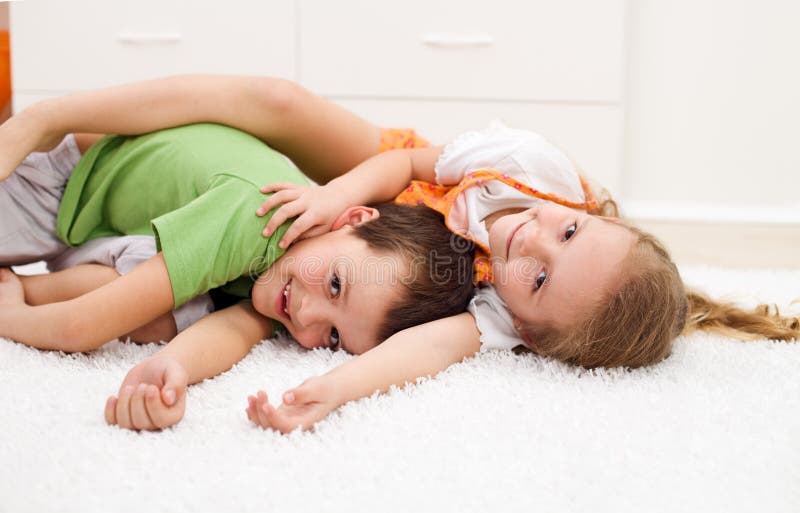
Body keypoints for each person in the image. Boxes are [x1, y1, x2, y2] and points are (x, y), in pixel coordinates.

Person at [4, 75, 796, 434]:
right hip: (389, 192)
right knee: (280, 106)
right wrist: (328, 195)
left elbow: (418, 347)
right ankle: (52, 117)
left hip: (399, 263)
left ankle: (56, 283)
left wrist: (331, 389)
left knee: (212, 303)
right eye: (571, 231)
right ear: (589, 211)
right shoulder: (540, 180)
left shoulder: (493, 309)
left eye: (543, 275)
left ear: (532, 330)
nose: (532, 238)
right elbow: (413, 169)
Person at [0, 121, 475, 430]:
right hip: (63, 179)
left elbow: (236, 327)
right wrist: (14, 320)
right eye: (335, 285)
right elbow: (80, 328)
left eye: (332, 337)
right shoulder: (262, 218)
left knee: (176, 315)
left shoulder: (298, 274)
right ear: (351, 220)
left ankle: (25, 284)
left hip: (105, 230)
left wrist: (176, 368)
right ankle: (16, 294)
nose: (308, 317)